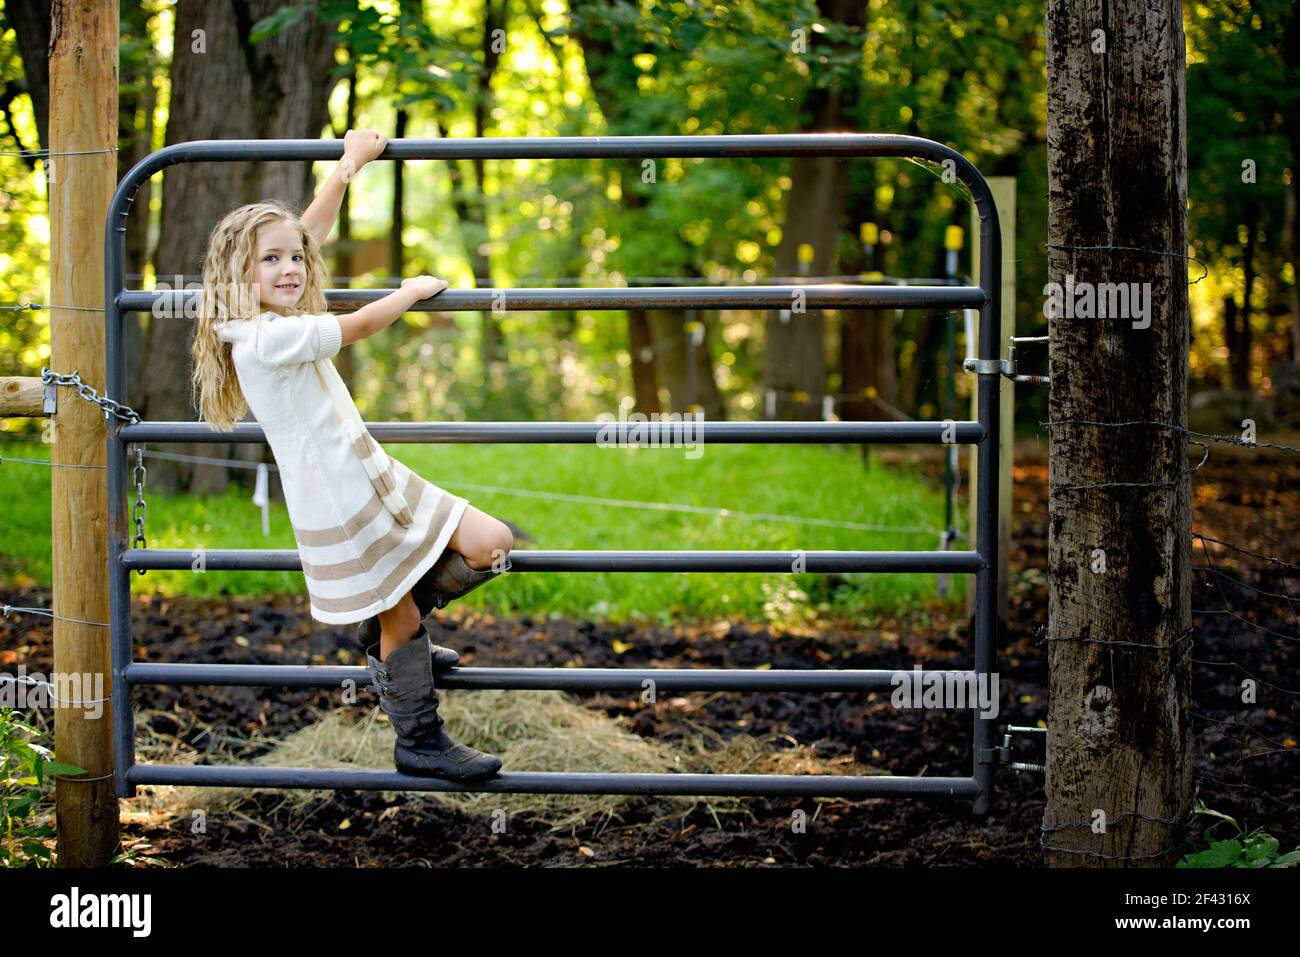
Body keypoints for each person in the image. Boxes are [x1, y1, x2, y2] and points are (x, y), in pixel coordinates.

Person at [189, 129, 510, 781]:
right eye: (270, 261)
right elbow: (359, 325)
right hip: (340, 497)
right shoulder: (263, 338)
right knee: (400, 606)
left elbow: (304, 236)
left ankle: (396, 639)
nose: (290, 269)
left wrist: (345, 168)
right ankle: (418, 736)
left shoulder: (268, 315)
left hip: (373, 473)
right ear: (237, 274)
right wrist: (412, 291)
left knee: (491, 543)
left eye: (294, 260)